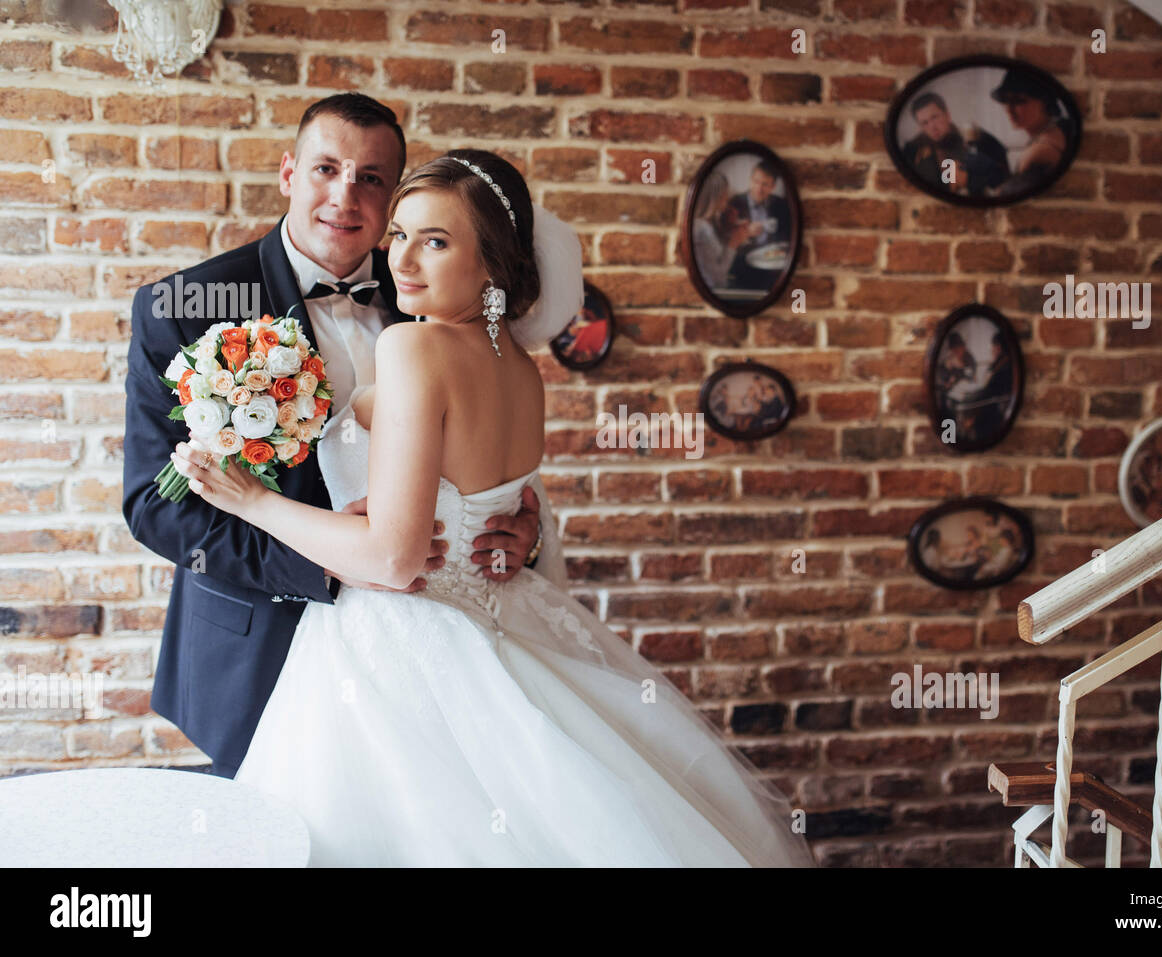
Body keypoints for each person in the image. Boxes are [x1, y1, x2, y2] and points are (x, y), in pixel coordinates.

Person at [167, 149, 816, 867]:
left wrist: (251, 499)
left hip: (400, 639)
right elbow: (488, 495)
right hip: (498, 612)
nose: (404, 260)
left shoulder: (412, 345)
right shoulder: (522, 367)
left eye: (436, 241)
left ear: (494, 266)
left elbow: (393, 556)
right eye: (402, 235)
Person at [122, 94, 565, 780]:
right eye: (326, 168)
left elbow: (485, 456)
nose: (345, 196)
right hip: (256, 647)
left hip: (436, 652)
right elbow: (155, 504)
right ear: (288, 173)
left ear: (397, 195)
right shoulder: (185, 307)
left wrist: (522, 534)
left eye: (372, 178)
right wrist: (325, 564)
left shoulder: (431, 282)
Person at [900, 92, 1009, 197]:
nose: (932, 127)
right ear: (920, 127)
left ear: (947, 115)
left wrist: (969, 180)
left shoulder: (979, 140)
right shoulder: (912, 151)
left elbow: (1004, 182)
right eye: (925, 123)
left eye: (935, 117)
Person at [987, 69, 1074, 197]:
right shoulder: (1053, 131)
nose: (1008, 109)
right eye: (1006, 101)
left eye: (1019, 100)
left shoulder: (1042, 149)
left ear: (1044, 102)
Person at [723, 161, 792, 291]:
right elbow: (723, 237)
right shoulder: (734, 203)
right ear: (750, 180)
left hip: (773, 271)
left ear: (773, 187)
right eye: (756, 182)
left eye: (765, 185)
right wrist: (745, 232)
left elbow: (787, 237)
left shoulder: (781, 205)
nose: (759, 189)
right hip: (742, 270)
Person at [690, 171, 748, 290]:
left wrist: (731, 228)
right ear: (714, 197)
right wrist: (733, 244)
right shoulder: (700, 230)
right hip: (718, 289)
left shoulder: (710, 222)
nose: (727, 198)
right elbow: (716, 277)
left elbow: (716, 250)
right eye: (724, 195)